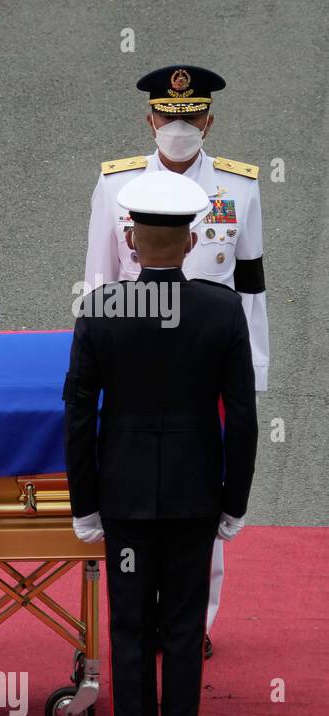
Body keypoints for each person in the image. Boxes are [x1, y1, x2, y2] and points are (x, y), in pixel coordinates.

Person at [64, 171, 258, 716]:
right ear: (194, 236)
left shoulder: (99, 309)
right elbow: (243, 414)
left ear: (130, 238)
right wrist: (234, 500)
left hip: (122, 499)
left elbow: (78, 412)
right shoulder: (223, 309)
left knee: (129, 630)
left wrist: (85, 501)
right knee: (181, 630)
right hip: (194, 494)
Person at [83, 66, 269, 658]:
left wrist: (254, 370)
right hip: (133, 355)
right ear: (150, 120)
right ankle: (139, 606)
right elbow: (100, 280)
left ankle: (197, 618)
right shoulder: (115, 185)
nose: (179, 127)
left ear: (209, 121)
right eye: (168, 117)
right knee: (131, 475)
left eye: (191, 118)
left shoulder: (239, 188)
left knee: (204, 484)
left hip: (207, 359)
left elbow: (251, 284)